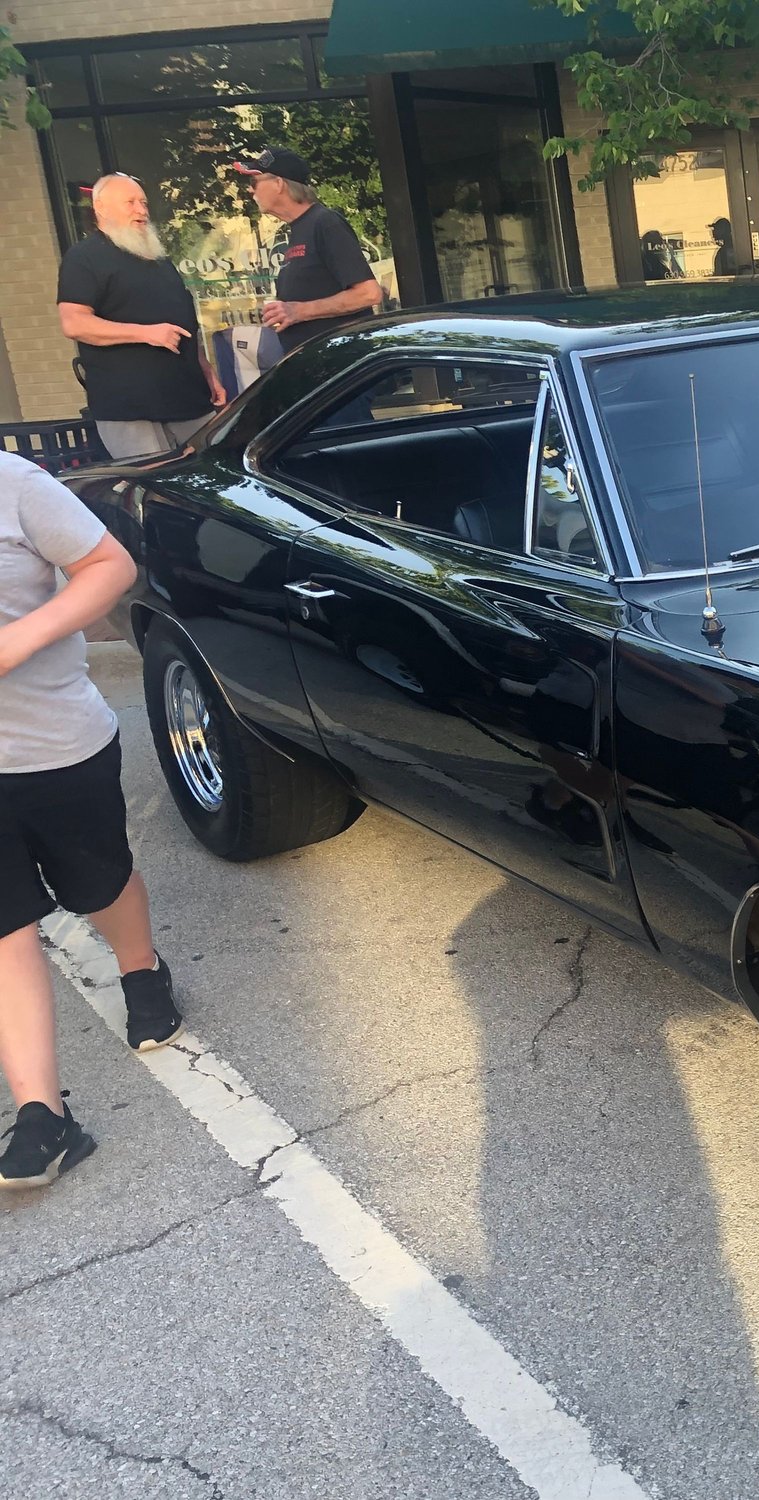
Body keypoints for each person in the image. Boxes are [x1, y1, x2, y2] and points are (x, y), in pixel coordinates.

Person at [0, 455, 181, 1188]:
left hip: (54, 749)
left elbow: (110, 567)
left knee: (98, 885)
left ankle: (142, 970)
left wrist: (19, 639)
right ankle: (43, 1116)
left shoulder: (14, 486)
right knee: (6, 927)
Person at [56, 174, 228, 461]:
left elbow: (186, 323)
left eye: (144, 203)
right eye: (131, 202)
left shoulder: (157, 259)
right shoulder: (83, 258)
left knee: (217, 477)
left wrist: (207, 372)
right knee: (158, 494)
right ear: (101, 208)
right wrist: (146, 333)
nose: (142, 210)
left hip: (189, 400)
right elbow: (74, 323)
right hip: (130, 410)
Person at [232, 147, 383, 354]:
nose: (250, 191)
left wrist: (298, 311)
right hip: (316, 368)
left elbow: (368, 294)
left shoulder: (325, 223)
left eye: (254, 182)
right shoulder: (298, 229)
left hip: (340, 366)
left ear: (278, 184)